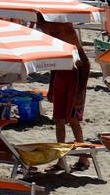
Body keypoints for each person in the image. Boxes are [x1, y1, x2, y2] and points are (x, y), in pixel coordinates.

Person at [39, 19, 91, 168]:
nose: (40, 27)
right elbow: (55, 62)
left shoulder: (67, 31)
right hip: (60, 79)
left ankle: (83, 158)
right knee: (59, 119)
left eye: (41, 24)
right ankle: (61, 159)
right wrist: (50, 87)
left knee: (73, 119)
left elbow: (86, 64)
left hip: (74, 79)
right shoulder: (49, 33)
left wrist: (80, 92)